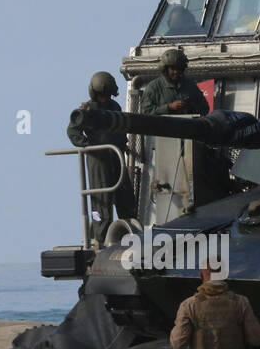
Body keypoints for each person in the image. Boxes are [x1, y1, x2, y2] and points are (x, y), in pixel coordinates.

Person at [66, 71, 136, 244]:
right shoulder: (86, 110)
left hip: (116, 156)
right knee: (101, 203)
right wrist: (88, 146)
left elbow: (120, 128)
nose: (104, 98)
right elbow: (72, 131)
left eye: (106, 95)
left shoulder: (115, 108)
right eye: (101, 95)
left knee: (126, 198)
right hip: (98, 160)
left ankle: (131, 235)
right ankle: (102, 238)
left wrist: (123, 143)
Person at [139, 48, 210, 116]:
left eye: (178, 68)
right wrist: (169, 107)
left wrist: (190, 107)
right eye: (172, 68)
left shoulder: (190, 86)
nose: (176, 72)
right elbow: (145, 112)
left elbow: (205, 108)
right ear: (165, 69)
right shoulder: (154, 87)